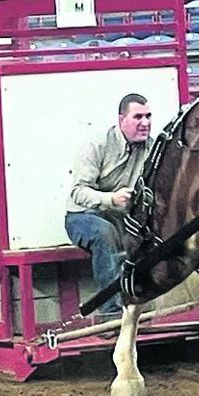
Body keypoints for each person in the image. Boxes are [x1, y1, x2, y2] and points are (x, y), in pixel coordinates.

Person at [65, 94, 154, 318]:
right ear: (121, 119)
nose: (145, 123)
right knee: (105, 234)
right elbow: (78, 191)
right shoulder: (97, 145)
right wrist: (111, 199)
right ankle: (111, 315)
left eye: (148, 116)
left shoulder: (152, 147)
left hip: (120, 217)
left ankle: (144, 309)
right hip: (83, 216)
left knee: (152, 235)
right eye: (138, 117)